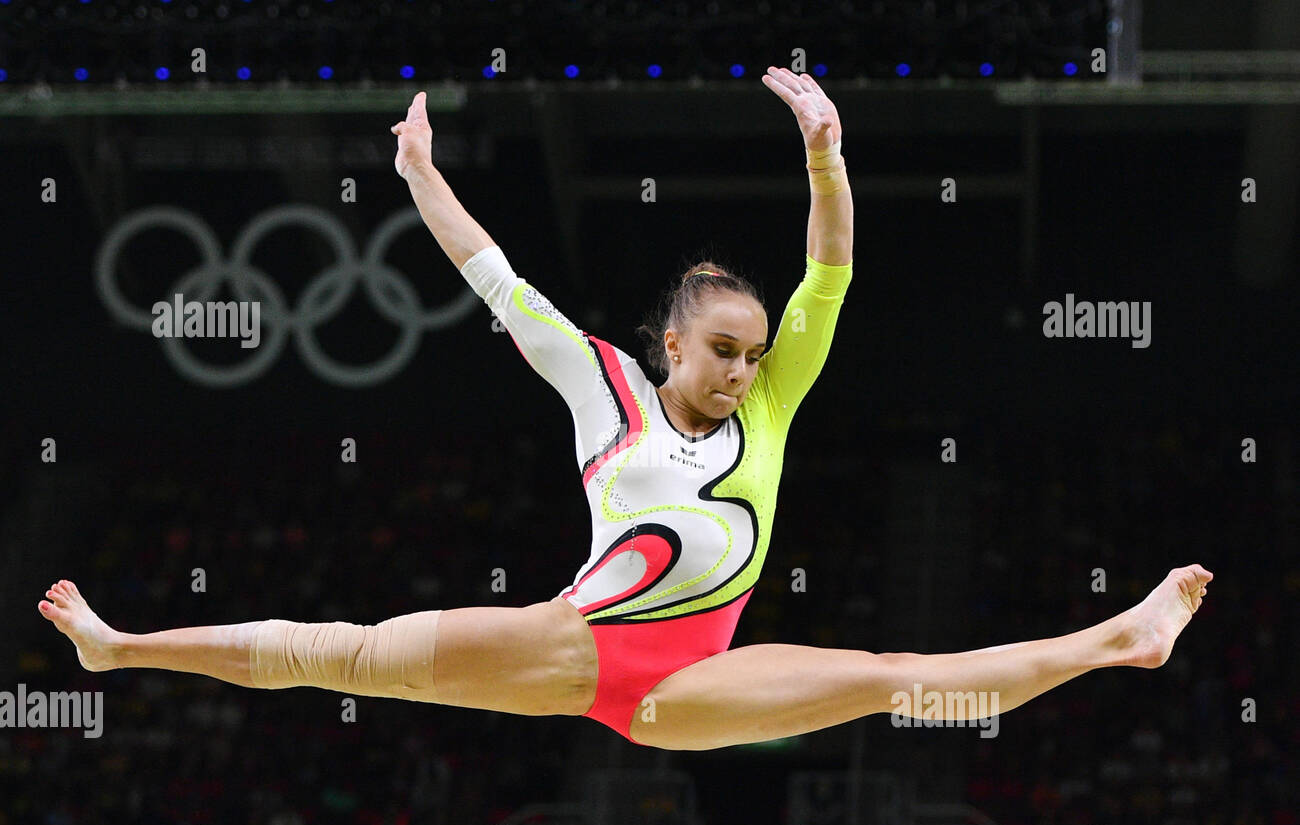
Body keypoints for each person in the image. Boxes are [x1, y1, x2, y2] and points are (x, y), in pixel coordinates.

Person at [39, 69, 1213, 751]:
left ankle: (1120, 640)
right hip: (570, 647)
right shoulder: (598, 384)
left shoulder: (775, 404)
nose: (740, 374)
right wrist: (417, 176)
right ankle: (118, 646)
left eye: (754, 358)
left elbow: (832, 273)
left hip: (683, 687)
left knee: (896, 677)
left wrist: (823, 155)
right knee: (342, 653)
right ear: (669, 341)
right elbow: (493, 275)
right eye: (719, 352)